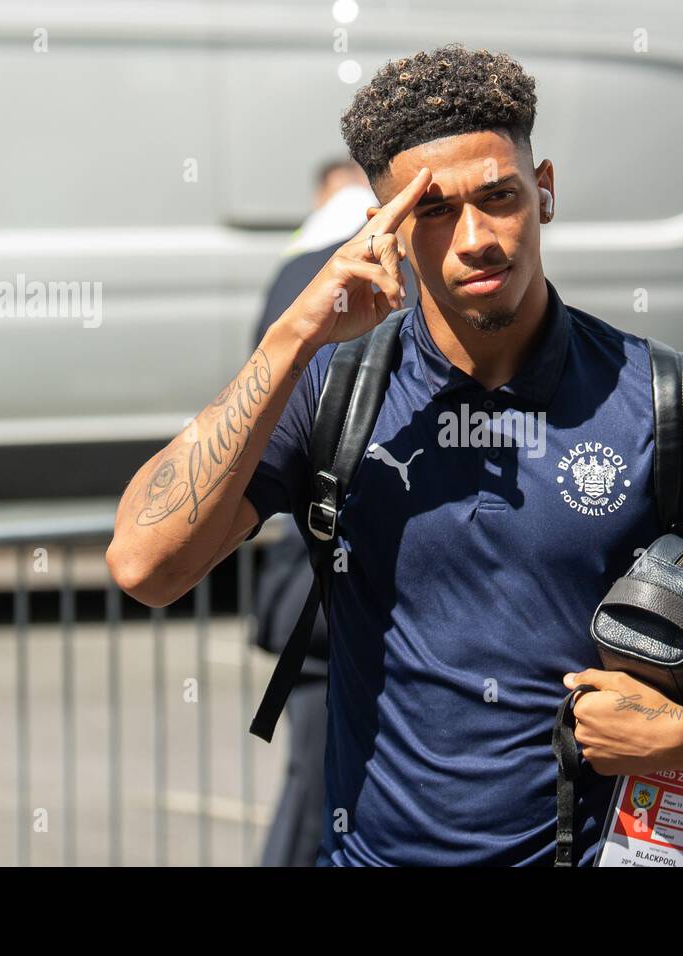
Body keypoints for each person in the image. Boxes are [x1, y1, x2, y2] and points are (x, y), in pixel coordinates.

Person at [106, 43, 683, 867]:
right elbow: (148, 567)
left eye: (499, 197)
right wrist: (295, 334)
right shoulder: (335, 389)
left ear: (543, 193)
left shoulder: (673, 402)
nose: (476, 239)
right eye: (433, 211)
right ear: (381, 226)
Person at [251, 159, 415, 866]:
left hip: (322, 574)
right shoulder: (347, 273)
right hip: (337, 591)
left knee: (322, 794)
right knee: (318, 798)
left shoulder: (298, 263)